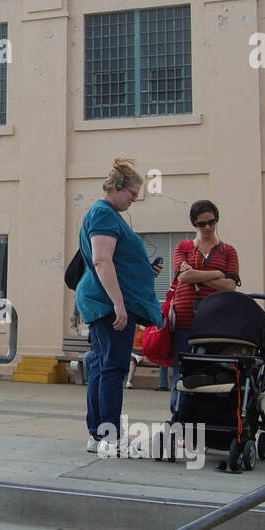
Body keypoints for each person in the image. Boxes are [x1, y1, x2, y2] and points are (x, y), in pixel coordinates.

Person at [74, 158, 163, 456]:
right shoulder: (104, 214)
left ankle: (98, 433)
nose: (133, 201)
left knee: (101, 365)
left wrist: (142, 272)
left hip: (102, 299)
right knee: (113, 367)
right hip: (106, 302)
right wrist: (119, 304)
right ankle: (109, 435)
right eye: (132, 194)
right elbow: (102, 260)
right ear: (119, 187)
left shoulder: (104, 214)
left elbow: (115, 261)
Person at [167, 200, 240, 417]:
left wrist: (197, 275)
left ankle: (205, 419)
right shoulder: (184, 247)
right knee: (182, 373)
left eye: (211, 222)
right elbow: (183, 276)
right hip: (184, 321)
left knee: (211, 374)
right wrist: (217, 273)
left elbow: (230, 286)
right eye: (202, 224)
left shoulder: (228, 251)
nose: (208, 227)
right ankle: (178, 419)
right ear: (195, 225)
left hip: (214, 323)